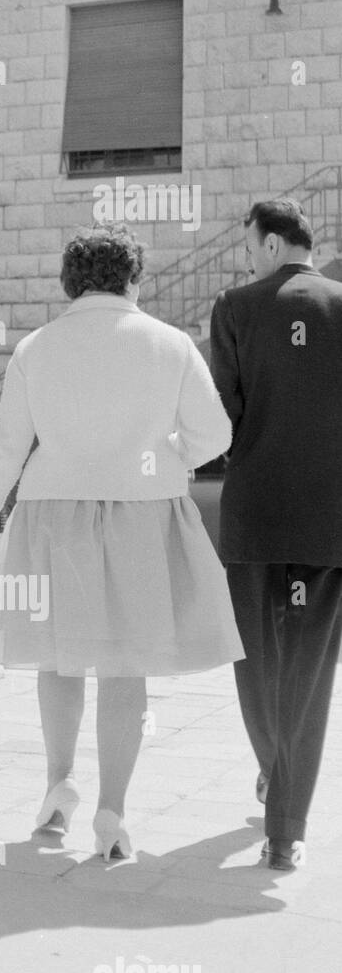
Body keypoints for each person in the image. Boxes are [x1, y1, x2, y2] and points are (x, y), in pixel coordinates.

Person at [0, 226, 244, 862]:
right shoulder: (169, 344)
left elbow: (5, 449)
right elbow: (216, 432)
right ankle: (113, 810)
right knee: (126, 665)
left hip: (50, 512)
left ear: (70, 282)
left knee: (57, 657)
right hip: (142, 513)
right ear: (133, 278)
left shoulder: (36, 347)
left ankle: (59, 783)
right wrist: (173, 456)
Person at [209, 198, 342, 871]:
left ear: (266, 244)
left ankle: (273, 768)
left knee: (254, 659)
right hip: (329, 518)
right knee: (310, 671)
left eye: (248, 246)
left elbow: (221, 420)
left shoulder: (234, 307)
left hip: (254, 514)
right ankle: (283, 827)